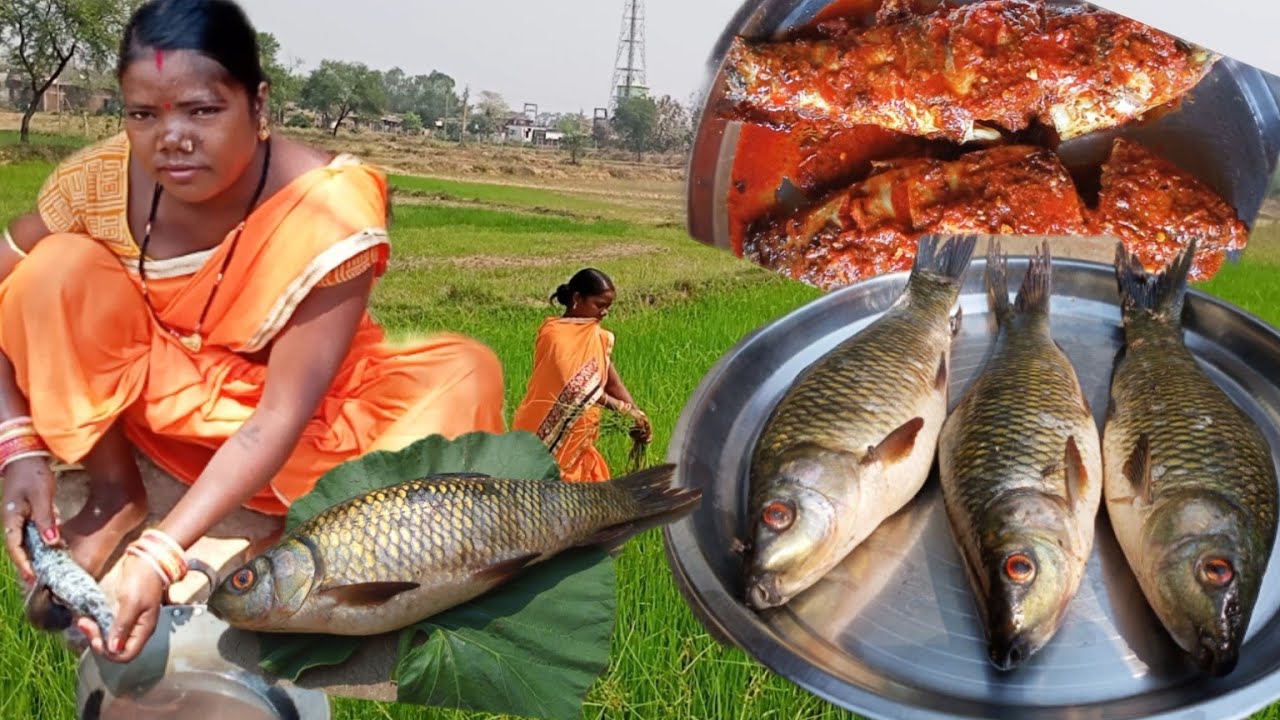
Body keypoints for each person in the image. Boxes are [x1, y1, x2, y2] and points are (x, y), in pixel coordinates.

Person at [0, 0, 505, 663]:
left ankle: (277, 536)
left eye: (202, 110)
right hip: (166, 388)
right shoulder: (98, 181)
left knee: (466, 378)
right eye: (143, 115)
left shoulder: (328, 208)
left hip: (303, 423)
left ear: (258, 105)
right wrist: (19, 446)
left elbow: (279, 417)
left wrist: (160, 554)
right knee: (52, 271)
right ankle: (117, 490)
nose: (170, 138)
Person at [511, 268, 652, 483]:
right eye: (600, 305)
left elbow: (611, 381)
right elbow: (577, 388)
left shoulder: (597, 336)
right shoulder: (554, 335)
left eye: (608, 307)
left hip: (580, 442)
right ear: (577, 298)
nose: (604, 312)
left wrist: (637, 414)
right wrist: (623, 410)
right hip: (544, 437)